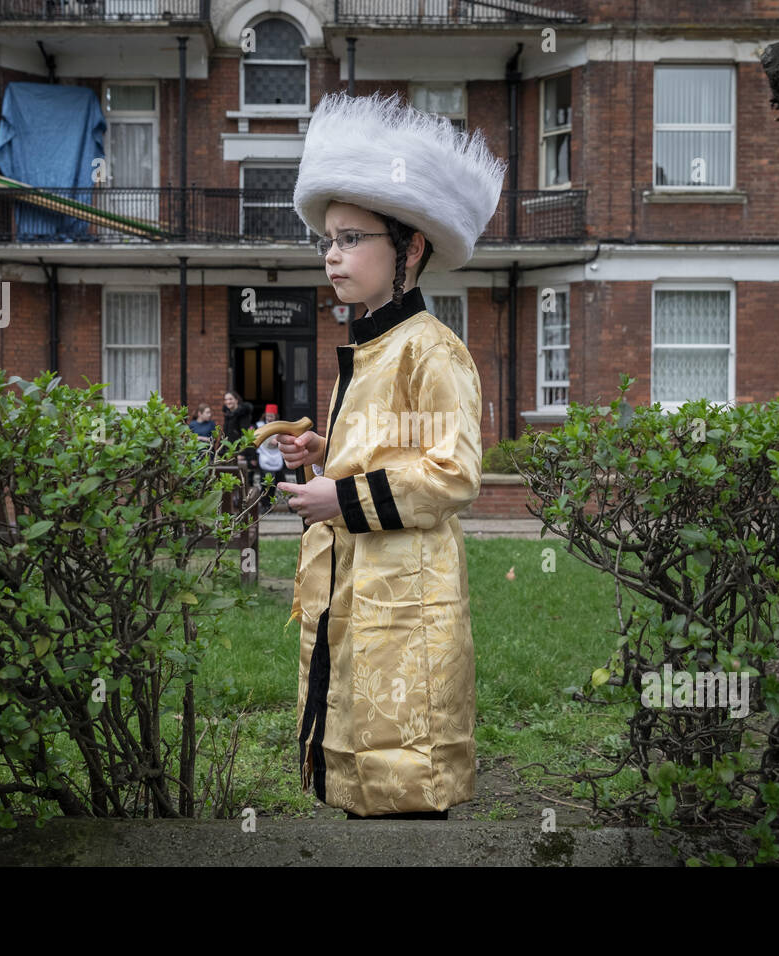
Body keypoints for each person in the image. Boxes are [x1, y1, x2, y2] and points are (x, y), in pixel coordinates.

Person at [276, 90, 506, 819]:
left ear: (408, 248)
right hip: (363, 590)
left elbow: (454, 472)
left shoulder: (432, 350)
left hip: (407, 599)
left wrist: (339, 498)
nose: (331, 255)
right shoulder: (375, 343)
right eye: (328, 239)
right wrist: (325, 451)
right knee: (360, 771)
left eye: (350, 238)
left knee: (407, 782)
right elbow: (392, 448)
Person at [221, 390, 257, 490]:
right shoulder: (228, 414)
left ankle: (244, 503)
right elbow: (226, 435)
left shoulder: (243, 415)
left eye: (230, 399)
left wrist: (243, 453)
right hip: (229, 452)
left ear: (236, 400)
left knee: (242, 480)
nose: (228, 402)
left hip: (240, 452)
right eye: (226, 399)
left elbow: (244, 435)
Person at [255, 403, 287, 514]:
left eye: (271, 416)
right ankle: (264, 504)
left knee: (276, 482)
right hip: (264, 456)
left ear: (275, 417)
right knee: (265, 482)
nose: (269, 418)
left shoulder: (279, 427)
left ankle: (271, 504)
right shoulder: (259, 426)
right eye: (268, 416)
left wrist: (278, 441)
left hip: (276, 456)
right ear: (265, 415)